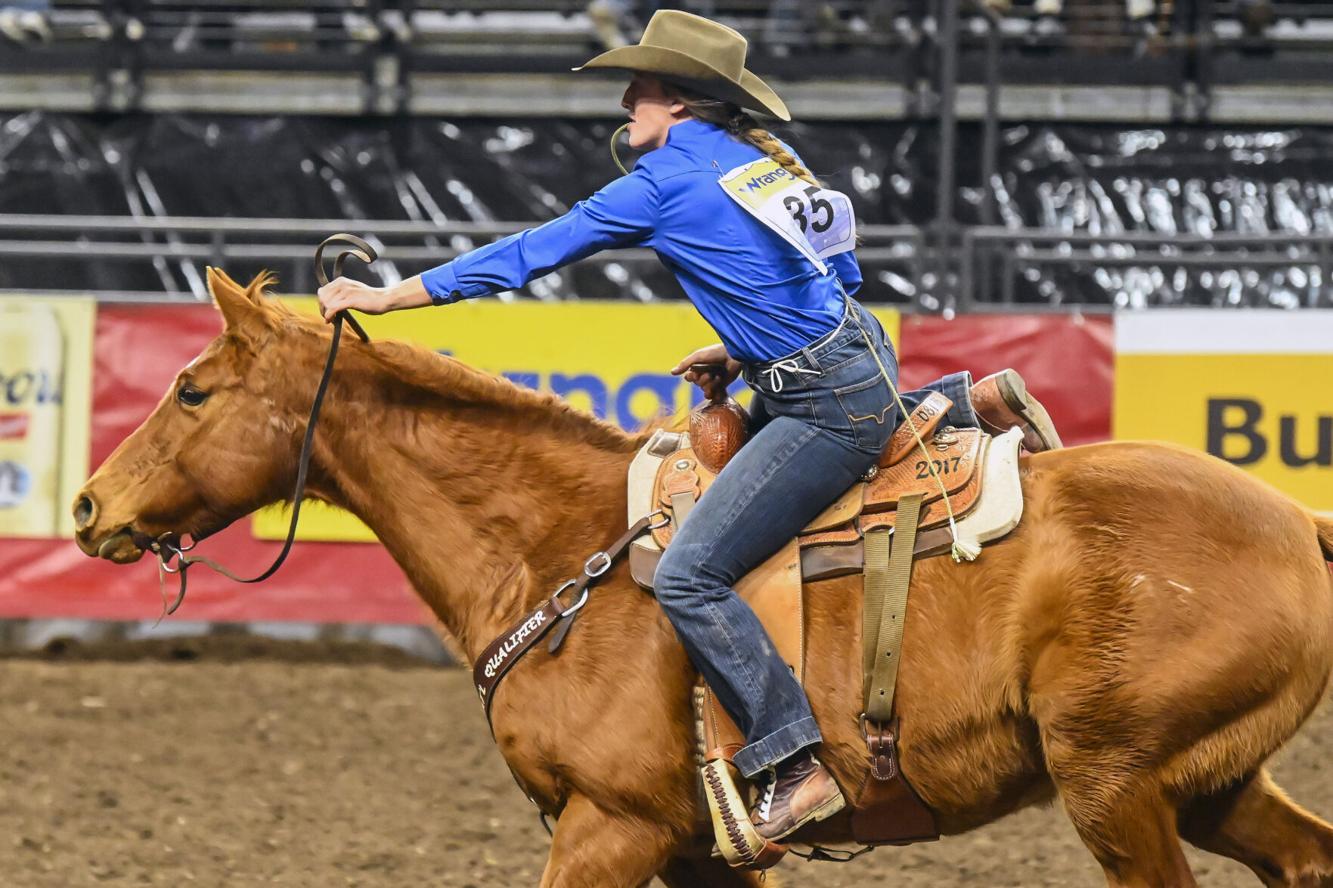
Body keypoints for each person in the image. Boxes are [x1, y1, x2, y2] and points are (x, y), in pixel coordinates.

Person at [316, 10, 1061, 843]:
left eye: (637, 89)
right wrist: (745, 345)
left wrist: (386, 297)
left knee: (687, 576)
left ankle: (792, 762)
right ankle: (955, 404)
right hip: (852, 359)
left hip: (818, 398)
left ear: (675, 101)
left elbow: (535, 251)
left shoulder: (660, 180)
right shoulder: (763, 166)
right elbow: (837, 274)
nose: (626, 103)